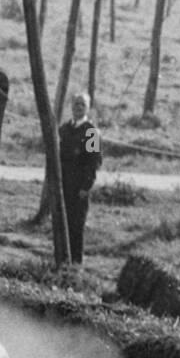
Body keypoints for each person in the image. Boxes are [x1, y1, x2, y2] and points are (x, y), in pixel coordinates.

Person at [58, 92, 103, 263]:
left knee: (76, 226)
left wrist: (86, 186)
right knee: (63, 224)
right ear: (71, 106)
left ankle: (76, 263)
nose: (78, 107)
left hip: (79, 187)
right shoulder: (64, 129)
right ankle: (62, 260)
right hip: (64, 184)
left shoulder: (91, 132)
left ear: (88, 108)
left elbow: (94, 162)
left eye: (82, 104)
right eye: (76, 103)